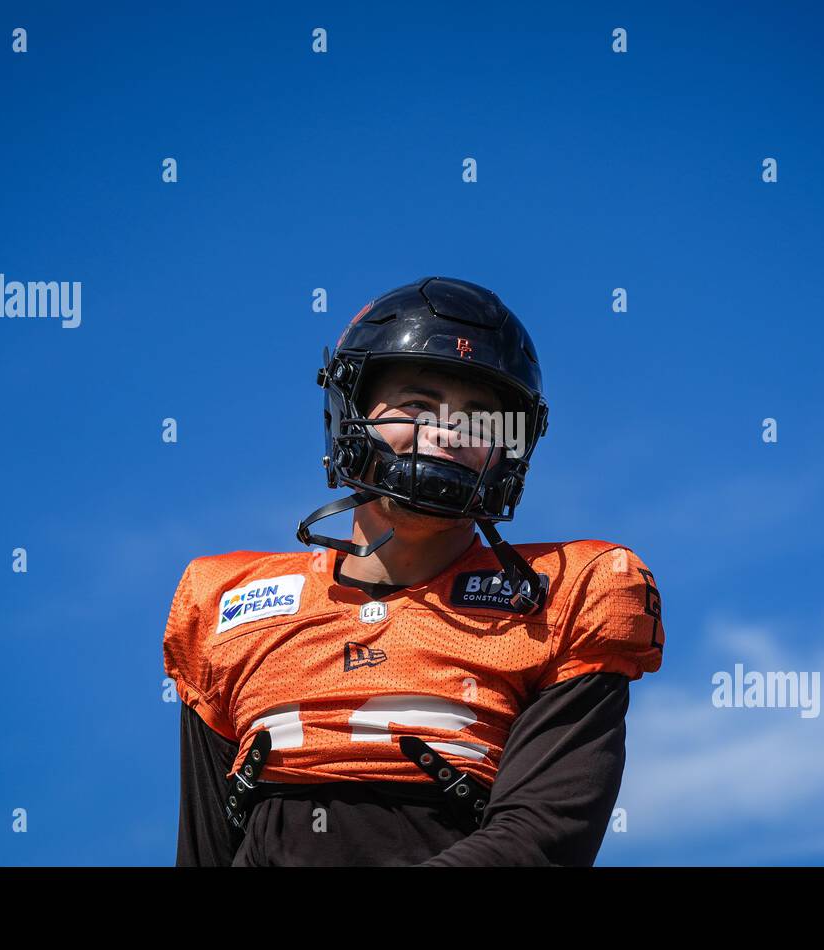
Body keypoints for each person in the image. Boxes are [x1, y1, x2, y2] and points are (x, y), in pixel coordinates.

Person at [163, 276, 665, 866]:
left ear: (510, 450)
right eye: (416, 405)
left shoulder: (569, 594)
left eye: (481, 419)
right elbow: (202, 854)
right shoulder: (226, 604)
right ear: (349, 414)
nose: (446, 432)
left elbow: (540, 840)